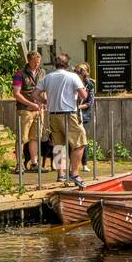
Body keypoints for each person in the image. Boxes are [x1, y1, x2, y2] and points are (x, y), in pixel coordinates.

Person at [37, 52, 88, 188]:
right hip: (68, 114)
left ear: (55, 64)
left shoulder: (48, 77)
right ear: (67, 64)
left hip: (53, 114)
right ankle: (74, 173)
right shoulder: (72, 76)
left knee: (58, 145)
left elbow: (34, 94)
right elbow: (84, 95)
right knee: (80, 142)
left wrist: (46, 101)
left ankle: (61, 174)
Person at [12, 51, 45, 171]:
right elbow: (16, 93)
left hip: (39, 110)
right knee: (21, 138)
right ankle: (19, 164)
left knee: (35, 137)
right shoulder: (19, 74)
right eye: (34, 62)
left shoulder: (42, 72)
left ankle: (34, 163)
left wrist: (44, 102)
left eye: (38, 62)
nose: (37, 64)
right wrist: (31, 104)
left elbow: (44, 89)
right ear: (29, 61)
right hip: (24, 110)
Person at [75, 63, 96, 172]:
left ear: (85, 72)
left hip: (83, 115)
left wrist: (78, 107)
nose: (77, 73)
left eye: (80, 71)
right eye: (76, 71)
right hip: (71, 114)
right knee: (71, 140)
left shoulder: (90, 84)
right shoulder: (72, 81)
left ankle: (84, 163)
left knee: (83, 139)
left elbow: (90, 102)